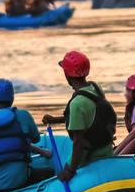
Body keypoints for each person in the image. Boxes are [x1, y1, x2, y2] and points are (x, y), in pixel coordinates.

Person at [41, 51, 116, 181]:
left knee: (60, 172)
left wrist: (69, 170)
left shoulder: (77, 104)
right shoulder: (95, 87)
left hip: (90, 156)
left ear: (66, 74)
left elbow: (78, 143)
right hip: (106, 151)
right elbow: (90, 117)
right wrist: (56, 120)